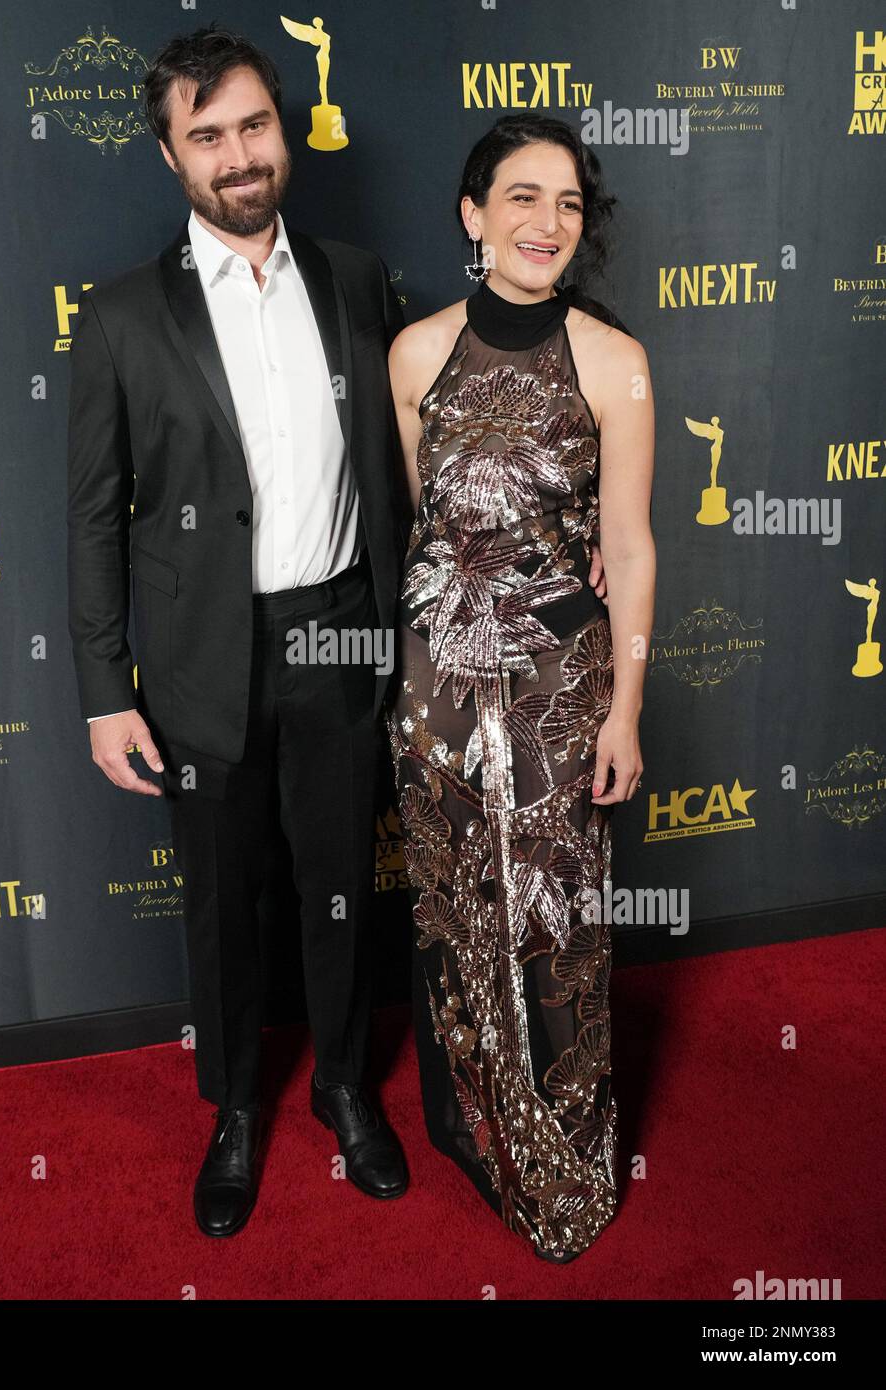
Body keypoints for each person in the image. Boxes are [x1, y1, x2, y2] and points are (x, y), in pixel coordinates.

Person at [65, 25, 415, 1238]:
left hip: (339, 635)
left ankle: (340, 1087)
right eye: (205, 135)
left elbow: (417, 452)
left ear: (285, 128)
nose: (236, 153)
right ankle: (233, 1111)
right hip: (202, 657)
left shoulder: (359, 279)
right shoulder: (117, 318)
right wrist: (106, 690)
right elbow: (94, 519)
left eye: (252, 125)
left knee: (340, 885)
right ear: (171, 157)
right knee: (221, 901)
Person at [385, 113, 654, 1263]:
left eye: (567, 205)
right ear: (472, 214)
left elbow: (632, 546)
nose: (545, 223)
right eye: (520, 197)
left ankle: (567, 1153)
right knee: (453, 912)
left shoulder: (614, 360)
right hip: (438, 682)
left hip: (560, 683)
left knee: (560, 923)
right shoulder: (412, 354)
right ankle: (474, 1119)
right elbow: (427, 525)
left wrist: (626, 708)